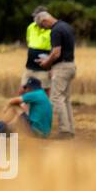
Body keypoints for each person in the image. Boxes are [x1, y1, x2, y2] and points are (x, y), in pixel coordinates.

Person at [34, 7, 77, 139]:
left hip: (62, 68)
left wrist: (47, 63)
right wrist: (49, 60)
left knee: (56, 98)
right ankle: (70, 129)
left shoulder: (55, 31)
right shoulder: (66, 26)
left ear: (45, 20)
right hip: (71, 65)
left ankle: (65, 131)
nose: (43, 29)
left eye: (42, 26)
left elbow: (56, 52)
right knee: (66, 99)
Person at [23, 6, 53, 93]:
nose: (34, 19)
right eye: (34, 16)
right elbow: (29, 42)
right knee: (23, 90)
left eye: (36, 17)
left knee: (44, 91)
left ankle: (46, 106)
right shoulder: (30, 27)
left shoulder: (51, 29)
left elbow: (55, 50)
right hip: (29, 66)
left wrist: (51, 67)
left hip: (44, 68)